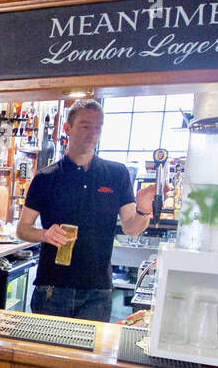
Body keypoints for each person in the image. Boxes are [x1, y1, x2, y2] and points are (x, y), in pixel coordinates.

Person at [16, 99, 164, 322]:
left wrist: (143, 210)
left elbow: (131, 228)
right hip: (52, 288)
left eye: (98, 127)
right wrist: (44, 234)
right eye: (85, 125)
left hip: (97, 291)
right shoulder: (46, 177)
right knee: (48, 356)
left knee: (89, 357)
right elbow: (23, 229)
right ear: (68, 128)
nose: (92, 133)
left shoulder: (117, 174)